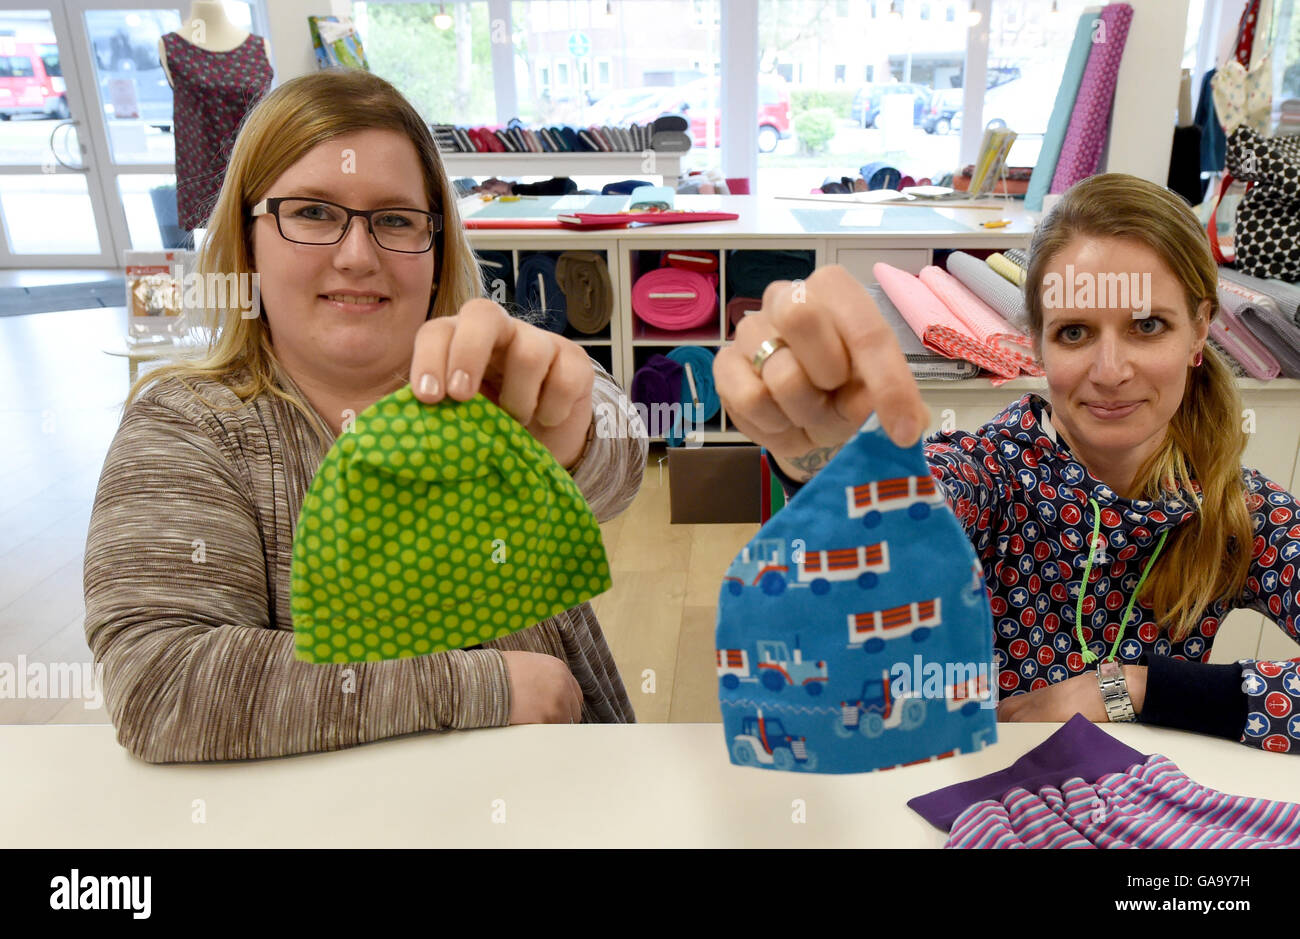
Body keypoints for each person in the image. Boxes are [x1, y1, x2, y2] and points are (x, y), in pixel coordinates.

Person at [83, 70, 647, 764]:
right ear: (247, 240)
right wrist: (480, 686)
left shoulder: (481, 387)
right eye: (313, 212)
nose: (357, 256)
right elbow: (163, 682)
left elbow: (620, 453)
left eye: (395, 219)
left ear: (436, 252)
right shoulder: (188, 430)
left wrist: (567, 436)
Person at [714, 173, 1300, 755]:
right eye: (1074, 332)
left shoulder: (1238, 511)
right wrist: (825, 459)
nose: (1111, 370)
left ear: (1200, 332)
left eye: (1148, 326)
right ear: (1038, 345)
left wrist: (1129, 688)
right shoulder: (993, 471)